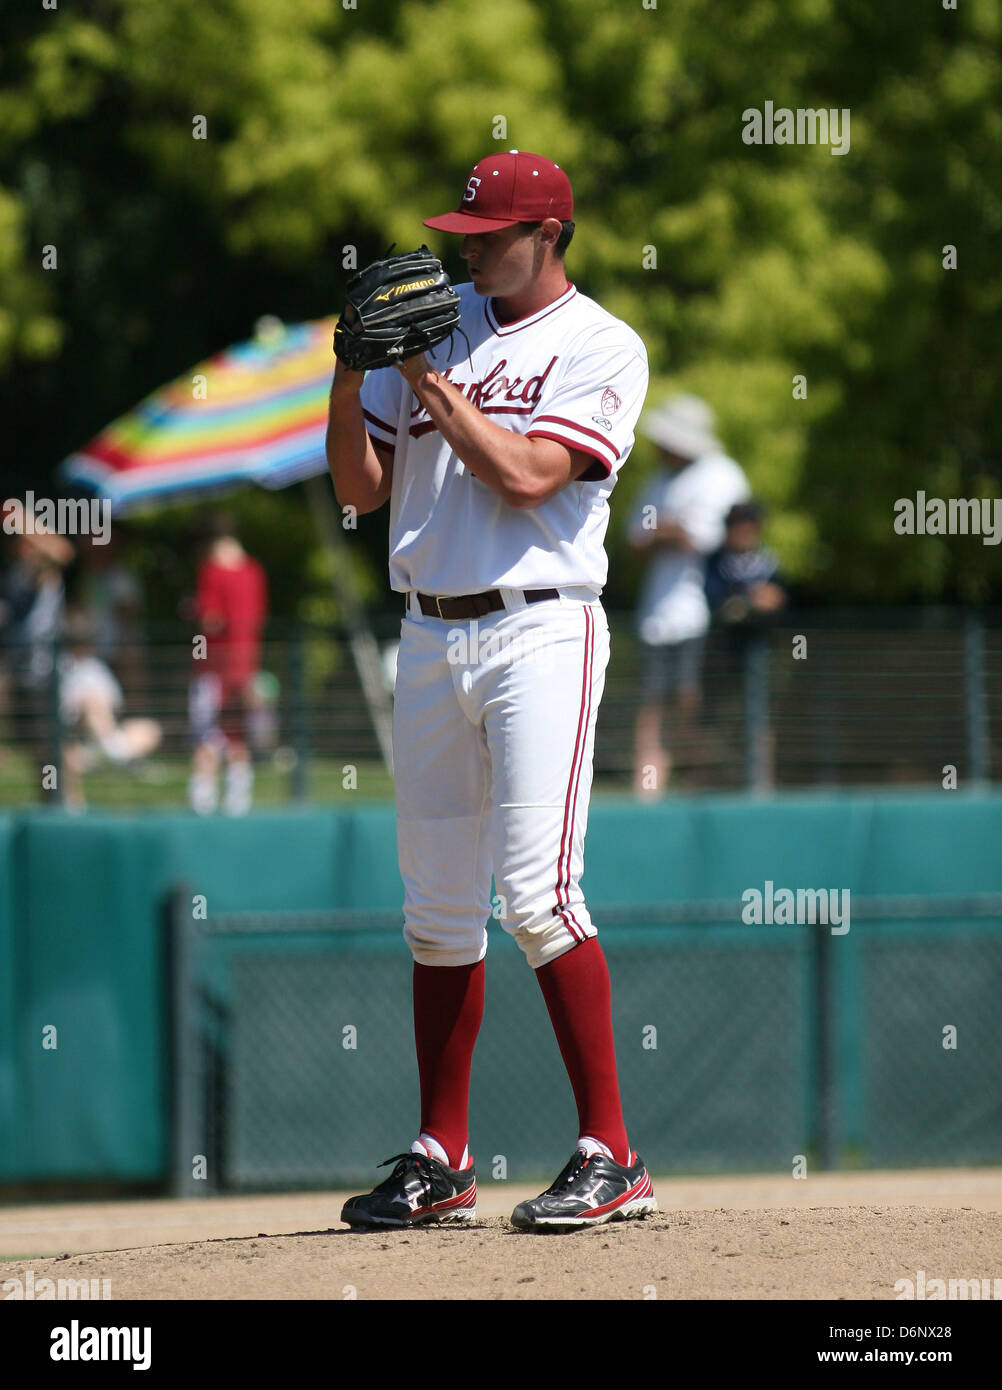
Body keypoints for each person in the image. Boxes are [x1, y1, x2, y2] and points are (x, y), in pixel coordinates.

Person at [327, 150, 656, 1231]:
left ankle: (612, 1151)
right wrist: (345, 368)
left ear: (549, 235)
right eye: (464, 231)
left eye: (492, 234)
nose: (469, 248)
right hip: (426, 632)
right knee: (434, 913)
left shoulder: (602, 344)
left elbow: (523, 478)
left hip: (541, 629)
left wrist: (423, 377)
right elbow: (358, 487)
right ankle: (442, 1155)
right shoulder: (434, 316)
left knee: (538, 896)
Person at [628, 395, 750, 799]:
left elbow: (713, 538)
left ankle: (696, 786)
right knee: (652, 706)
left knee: (692, 702)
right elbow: (636, 536)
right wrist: (671, 532)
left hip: (706, 615)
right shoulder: (657, 481)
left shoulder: (722, 475)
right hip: (658, 617)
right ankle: (650, 790)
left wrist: (668, 532)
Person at [187, 516, 268, 816]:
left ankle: (202, 805)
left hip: (214, 668)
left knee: (206, 736)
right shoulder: (254, 571)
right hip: (246, 665)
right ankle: (238, 804)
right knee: (238, 736)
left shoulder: (210, 571)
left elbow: (211, 619)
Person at [58, 611, 162, 811]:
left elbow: (115, 707)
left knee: (151, 729)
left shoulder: (96, 667)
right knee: (91, 703)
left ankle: (111, 754)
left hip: (106, 732)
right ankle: (116, 757)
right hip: (78, 736)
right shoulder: (61, 666)